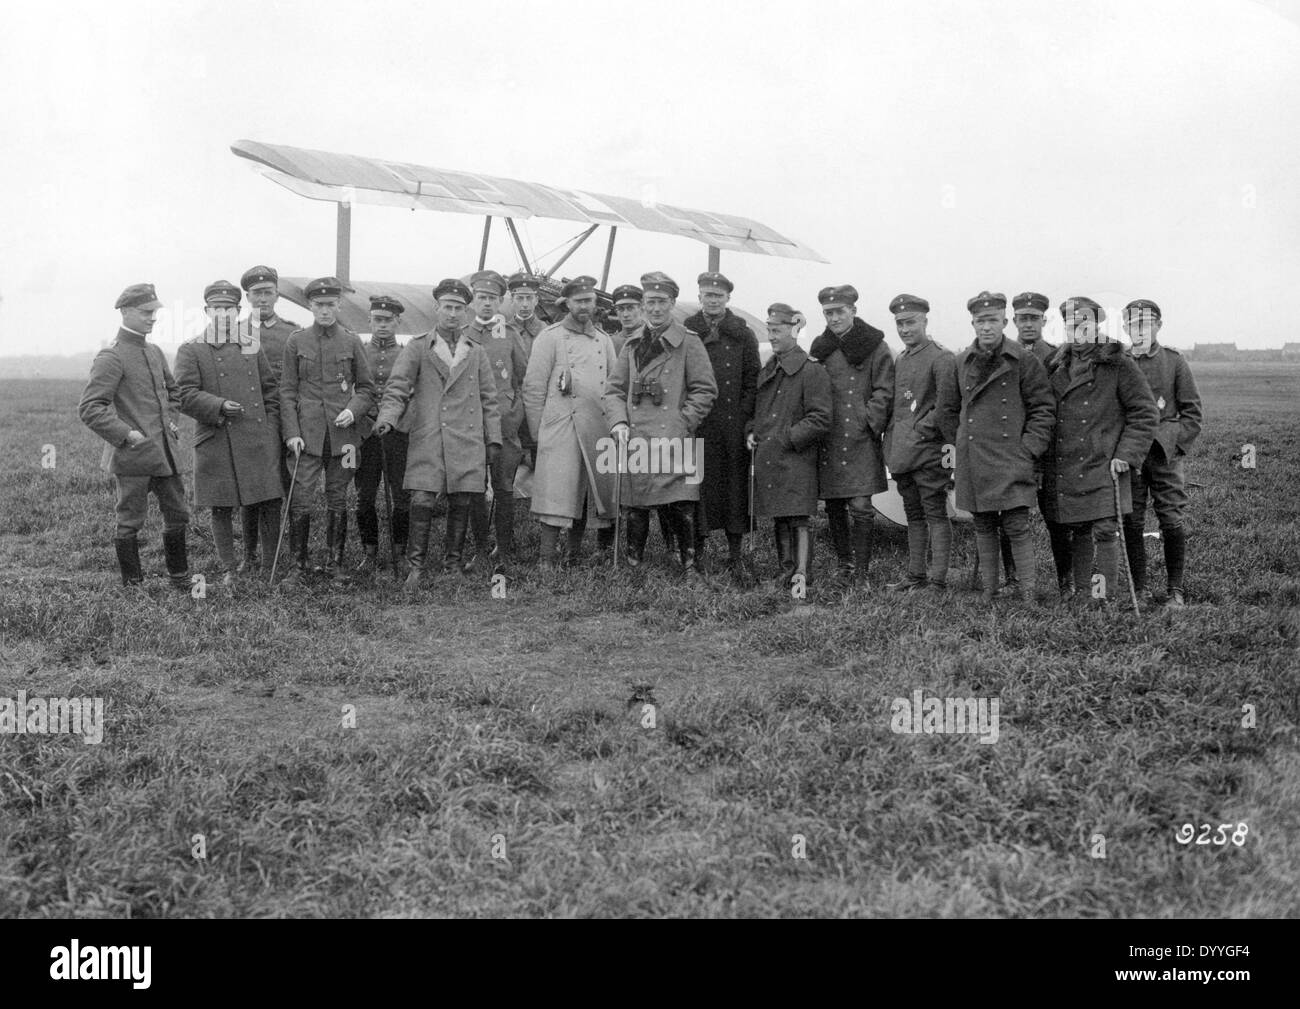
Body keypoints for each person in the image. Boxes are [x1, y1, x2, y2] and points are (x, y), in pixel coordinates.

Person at [374, 279, 502, 589]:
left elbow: (489, 398)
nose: (453, 314)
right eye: (448, 307)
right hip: (429, 434)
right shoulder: (418, 347)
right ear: (437, 309)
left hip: (467, 437)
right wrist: (387, 418)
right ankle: (416, 567)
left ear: (466, 312)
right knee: (422, 496)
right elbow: (397, 388)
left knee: (461, 499)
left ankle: (452, 564)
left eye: (459, 308)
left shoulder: (476, 352)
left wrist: (493, 438)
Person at [1041, 296, 1158, 604]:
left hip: (1105, 462)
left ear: (1096, 326)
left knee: (1105, 530)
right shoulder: (1055, 365)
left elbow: (1145, 413)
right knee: (1077, 527)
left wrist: (1126, 454)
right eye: (1071, 325)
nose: (1078, 331)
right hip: (1066, 463)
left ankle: (1105, 597)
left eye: (1084, 324)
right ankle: (1083, 594)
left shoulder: (1118, 363)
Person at [603, 272, 718, 574]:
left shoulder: (688, 342)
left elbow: (705, 389)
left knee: (682, 503)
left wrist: (683, 422)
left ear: (672, 303)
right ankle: (633, 566)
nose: (655, 309)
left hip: (674, 435)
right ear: (643, 305)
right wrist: (618, 422)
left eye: (662, 302)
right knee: (636, 504)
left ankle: (690, 565)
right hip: (637, 436)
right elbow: (614, 389)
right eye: (650, 302)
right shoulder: (631, 345)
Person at [78, 283, 190, 588]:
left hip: (165, 454)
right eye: (146, 312)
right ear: (126, 312)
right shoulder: (111, 357)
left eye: (154, 311)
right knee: (129, 521)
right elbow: (90, 407)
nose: (153, 318)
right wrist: (126, 434)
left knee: (179, 514)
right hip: (133, 455)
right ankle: (133, 586)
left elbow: (173, 391)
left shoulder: (153, 351)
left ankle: (179, 579)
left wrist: (171, 420)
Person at [174, 280, 282, 587]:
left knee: (268, 500)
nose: (223, 314)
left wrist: (270, 430)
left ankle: (268, 569)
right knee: (221, 506)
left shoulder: (250, 345)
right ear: (208, 312)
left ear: (238, 311)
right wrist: (219, 406)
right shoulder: (191, 349)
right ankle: (230, 569)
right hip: (216, 438)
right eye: (216, 308)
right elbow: (182, 394)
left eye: (229, 309)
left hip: (257, 438)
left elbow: (270, 390)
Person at [952, 291, 1057, 603]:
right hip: (974, 457)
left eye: (993, 320)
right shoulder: (960, 362)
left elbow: (1042, 409)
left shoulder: (1024, 361)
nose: (986, 327)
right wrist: (963, 443)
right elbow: (947, 410)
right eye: (980, 321)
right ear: (972, 323)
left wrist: (1027, 450)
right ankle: (990, 591)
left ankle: (1028, 593)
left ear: (1004, 322)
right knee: (983, 524)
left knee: (1016, 524)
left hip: (1013, 456)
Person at [279, 276, 376, 585]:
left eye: (330, 304)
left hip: (344, 440)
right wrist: (291, 432)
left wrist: (353, 410)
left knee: (339, 497)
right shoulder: (296, 341)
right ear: (310, 306)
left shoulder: (351, 341)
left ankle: (336, 564)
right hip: (306, 439)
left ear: (339, 305)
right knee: (301, 498)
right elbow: (287, 392)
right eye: (319, 305)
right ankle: (298, 565)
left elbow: (367, 389)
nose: (324, 310)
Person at [522, 276, 619, 567]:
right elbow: (533, 387)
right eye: (578, 301)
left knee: (587, 494)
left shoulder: (604, 341)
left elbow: (614, 387)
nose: (584, 306)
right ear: (567, 304)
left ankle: (574, 555)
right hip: (561, 427)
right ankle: (546, 559)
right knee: (556, 493)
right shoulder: (549, 337)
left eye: (589, 301)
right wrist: (540, 432)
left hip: (596, 427)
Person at [809, 284, 894, 585]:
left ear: (853, 311)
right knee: (833, 503)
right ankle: (844, 563)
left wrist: (868, 420)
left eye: (839, 312)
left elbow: (884, 390)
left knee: (861, 506)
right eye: (828, 313)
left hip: (860, 437)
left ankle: (862, 570)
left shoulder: (875, 346)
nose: (834, 318)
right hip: (830, 437)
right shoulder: (820, 348)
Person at [1122, 299, 1202, 607]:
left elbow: (1192, 412)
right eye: (1132, 324)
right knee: (1131, 520)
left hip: (1164, 455)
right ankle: (1139, 590)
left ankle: (1175, 591)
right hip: (1130, 454)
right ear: (1126, 327)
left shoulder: (1174, 361)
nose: (1139, 330)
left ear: (1157, 325)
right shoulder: (1119, 361)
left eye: (1145, 323)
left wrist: (1175, 446)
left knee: (1170, 517)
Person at [747, 303, 832, 588]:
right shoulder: (770, 368)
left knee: (797, 517)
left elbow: (821, 419)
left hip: (796, 458)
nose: (772, 336)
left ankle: (800, 575)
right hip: (772, 456)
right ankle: (786, 572)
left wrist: (786, 438)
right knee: (780, 515)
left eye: (778, 330)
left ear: (794, 331)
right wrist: (752, 431)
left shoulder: (810, 371)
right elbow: (760, 410)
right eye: (770, 330)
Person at [883, 294, 960, 591]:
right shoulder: (901, 358)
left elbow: (945, 407)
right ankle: (915, 576)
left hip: (928, 451)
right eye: (900, 324)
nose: (905, 329)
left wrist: (918, 432)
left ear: (925, 321)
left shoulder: (942, 357)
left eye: (910, 322)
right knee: (912, 513)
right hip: (902, 452)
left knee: (935, 512)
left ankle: (937, 580)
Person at [684, 271, 760, 573]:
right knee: (699, 489)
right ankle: (697, 552)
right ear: (699, 296)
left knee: (734, 488)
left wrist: (743, 415)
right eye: (707, 294)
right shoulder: (688, 330)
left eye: (718, 295)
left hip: (732, 424)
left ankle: (735, 553)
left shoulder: (743, 333)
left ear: (728, 298)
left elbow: (753, 380)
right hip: (700, 422)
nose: (712, 300)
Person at [998, 290, 1069, 593]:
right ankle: (1013, 578)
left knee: (1056, 519)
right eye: (1022, 319)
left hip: (1049, 451)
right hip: (1012, 451)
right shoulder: (1003, 355)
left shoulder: (1057, 357)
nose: (1028, 324)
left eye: (1034, 318)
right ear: (1014, 320)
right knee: (1009, 516)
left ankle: (1066, 581)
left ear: (1044, 320)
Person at [464, 270, 530, 569]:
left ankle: (503, 550)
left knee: (504, 489)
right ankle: (479, 549)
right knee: (475, 488)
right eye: (481, 298)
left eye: (492, 298)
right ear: (473, 302)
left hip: (504, 425)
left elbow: (523, 379)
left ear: (501, 301)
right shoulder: (464, 336)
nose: (487, 304)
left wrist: (514, 415)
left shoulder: (510, 335)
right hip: (470, 426)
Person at [239, 264, 298, 566]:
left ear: (277, 295)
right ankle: (249, 553)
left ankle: (276, 555)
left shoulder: (292, 332)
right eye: (256, 293)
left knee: (280, 485)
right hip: (247, 421)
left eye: (268, 292)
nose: (263, 299)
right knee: (250, 487)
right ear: (247, 297)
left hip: (283, 418)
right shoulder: (236, 332)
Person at [353, 294, 411, 577]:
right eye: (378, 320)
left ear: (398, 321)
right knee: (364, 497)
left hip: (397, 433)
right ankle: (370, 551)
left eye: (389, 320)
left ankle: (400, 552)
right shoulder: (359, 350)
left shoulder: (407, 354)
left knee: (401, 496)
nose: (383, 325)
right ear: (370, 320)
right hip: (364, 434)